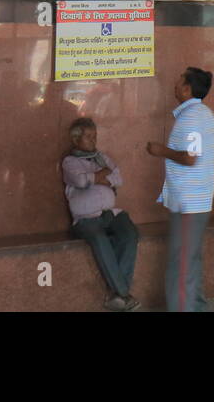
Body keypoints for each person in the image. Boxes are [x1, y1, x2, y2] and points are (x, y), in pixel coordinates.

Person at [148, 66, 214, 312]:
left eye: (178, 81)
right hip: (196, 199)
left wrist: (160, 151)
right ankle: (196, 306)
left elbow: (190, 158)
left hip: (190, 202)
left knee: (182, 264)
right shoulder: (204, 113)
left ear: (187, 89)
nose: (174, 86)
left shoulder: (191, 117)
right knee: (191, 260)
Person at [62, 117, 140, 311]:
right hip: (87, 218)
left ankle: (116, 295)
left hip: (111, 214)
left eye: (94, 136)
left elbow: (118, 178)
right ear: (76, 139)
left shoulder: (102, 157)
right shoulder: (70, 161)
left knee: (130, 234)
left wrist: (95, 179)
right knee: (99, 238)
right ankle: (122, 293)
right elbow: (80, 182)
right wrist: (102, 177)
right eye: (88, 137)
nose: (93, 140)